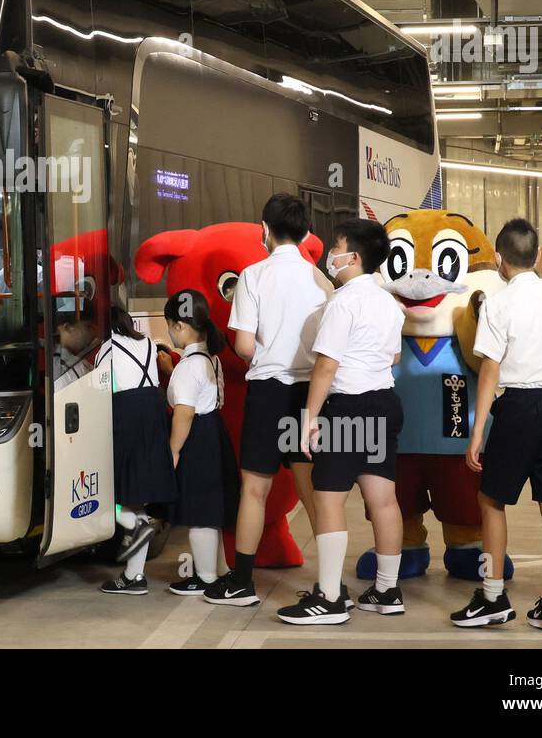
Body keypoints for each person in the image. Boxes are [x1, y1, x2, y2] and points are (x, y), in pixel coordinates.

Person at [452, 218, 542, 634]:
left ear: (499, 259)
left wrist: (477, 432)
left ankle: (493, 596)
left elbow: (490, 372)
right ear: (537, 257)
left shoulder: (498, 304)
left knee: (491, 501)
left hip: (518, 407)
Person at [277, 218, 405, 625]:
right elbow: (395, 357)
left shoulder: (343, 302)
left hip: (348, 407)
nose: (332, 253)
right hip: (385, 402)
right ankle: (387, 590)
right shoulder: (389, 301)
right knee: (383, 500)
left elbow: (326, 366)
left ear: (353, 256)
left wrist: (309, 418)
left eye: (336, 246)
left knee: (328, 498)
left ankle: (330, 598)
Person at [206, 193, 327, 608]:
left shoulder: (253, 276)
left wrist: (268, 356)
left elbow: (241, 344)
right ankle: (330, 584)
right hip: (310, 393)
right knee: (312, 489)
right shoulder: (321, 280)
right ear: (306, 232)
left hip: (268, 391)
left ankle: (241, 581)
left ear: (265, 230)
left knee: (254, 489)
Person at [163, 289, 239, 595]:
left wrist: (173, 450)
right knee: (211, 510)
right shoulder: (210, 358)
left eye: (170, 325)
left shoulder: (188, 366)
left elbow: (184, 414)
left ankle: (204, 578)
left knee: (198, 511)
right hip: (214, 434)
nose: (170, 331)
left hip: (196, 439)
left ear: (180, 326)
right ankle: (218, 571)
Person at [98, 302, 178, 595]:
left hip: (125, 416)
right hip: (152, 413)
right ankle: (135, 575)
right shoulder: (145, 342)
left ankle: (133, 528)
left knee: (109, 494)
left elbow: (98, 389)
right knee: (136, 497)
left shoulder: (106, 349)